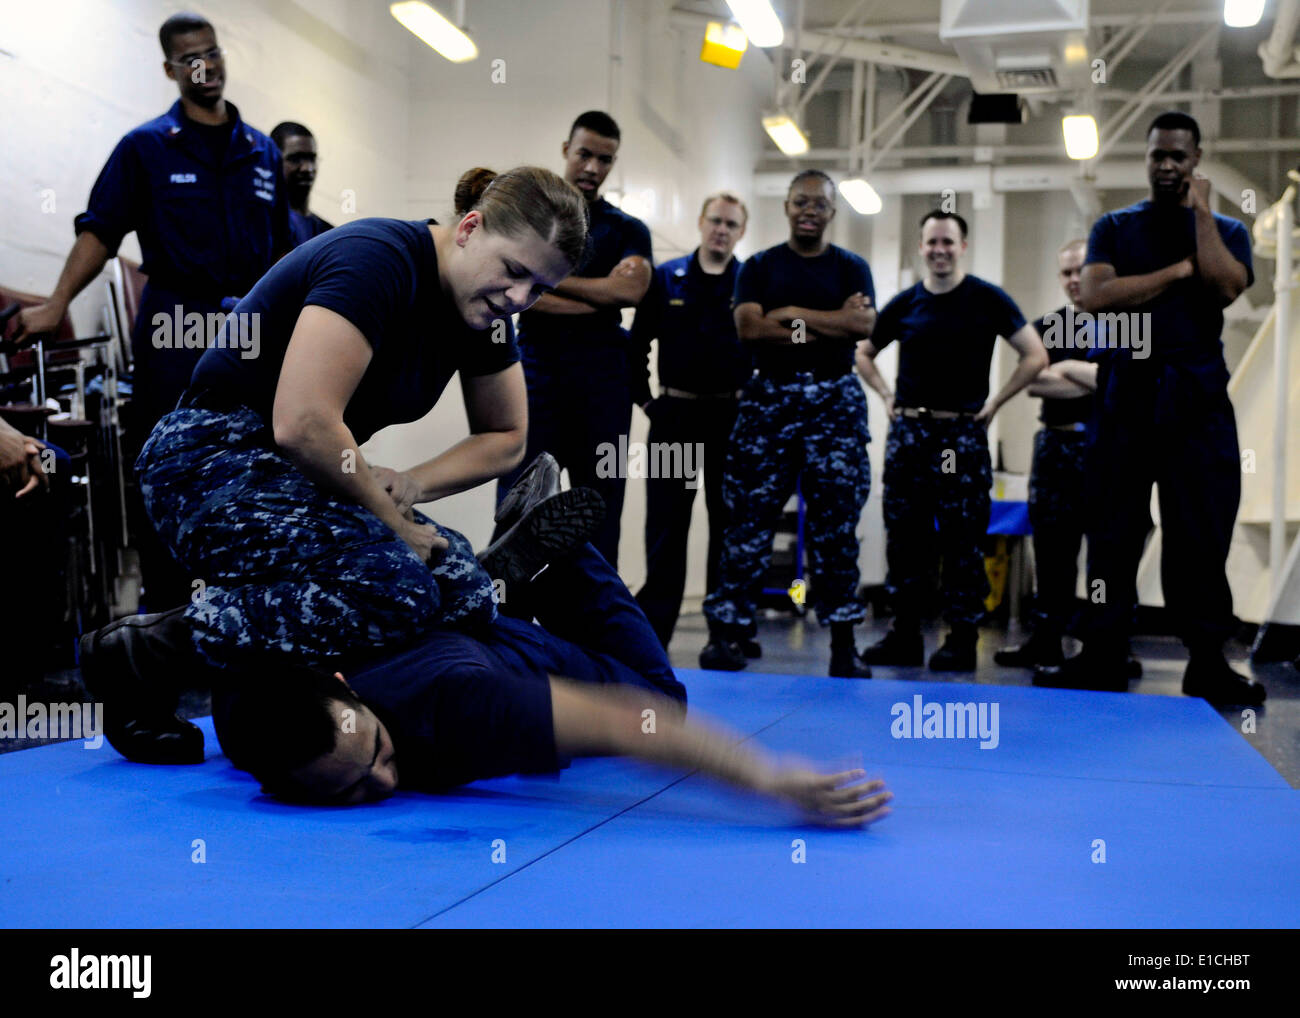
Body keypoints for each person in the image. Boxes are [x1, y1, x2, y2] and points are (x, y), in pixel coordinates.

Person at [79, 166, 597, 765]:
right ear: (469, 228)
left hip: (303, 473)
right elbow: (303, 422)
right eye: (514, 271)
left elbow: (506, 438)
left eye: (539, 289)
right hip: (208, 459)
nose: (519, 299)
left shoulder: (484, 312)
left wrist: (412, 483)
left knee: (466, 589)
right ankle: (142, 654)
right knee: (397, 587)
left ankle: (276, 686)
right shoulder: (376, 258)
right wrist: (395, 524)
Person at [212, 541, 894, 829]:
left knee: (664, 702)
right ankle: (499, 579)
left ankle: (562, 560)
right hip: (452, 633)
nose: (386, 782)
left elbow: (632, 725)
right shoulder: (258, 719)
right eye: (351, 789)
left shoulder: (460, 711)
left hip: (514, 654)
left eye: (379, 754)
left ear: (345, 687)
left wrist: (771, 778)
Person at [12, 11, 290, 611]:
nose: (206, 66)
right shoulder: (145, 147)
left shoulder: (262, 151)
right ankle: (165, 616)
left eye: (212, 52)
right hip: (174, 325)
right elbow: (101, 230)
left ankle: (243, 615)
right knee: (168, 464)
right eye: (191, 58)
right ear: (170, 69)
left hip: (247, 325)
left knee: (253, 461)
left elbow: (284, 254)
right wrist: (57, 302)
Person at [1034, 111, 1266, 706]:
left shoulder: (1227, 230)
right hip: (1127, 395)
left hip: (1197, 399)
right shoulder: (1115, 226)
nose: (1166, 165)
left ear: (1196, 160)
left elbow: (1225, 286)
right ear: (1146, 158)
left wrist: (1201, 215)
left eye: (1178, 156)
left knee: (1200, 534)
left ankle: (1208, 662)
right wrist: (1180, 271)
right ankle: (1103, 653)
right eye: (1157, 154)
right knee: (1111, 532)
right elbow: (1096, 297)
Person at [699, 170, 876, 679]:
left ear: (832, 211)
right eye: (801, 202)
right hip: (769, 404)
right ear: (787, 206)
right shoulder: (759, 266)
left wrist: (792, 314)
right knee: (747, 522)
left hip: (835, 404)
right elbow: (750, 328)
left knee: (836, 528)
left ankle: (843, 645)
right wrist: (827, 322)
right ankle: (727, 635)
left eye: (819, 204)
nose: (809, 211)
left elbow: (862, 325)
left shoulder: (852, 267)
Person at [857, 211, 1048, 672]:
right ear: (921, 247)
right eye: (932, 242)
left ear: (963, 246)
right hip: (910, 434)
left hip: (958, 438)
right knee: (905, 537)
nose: (939, 250)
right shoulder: (905, 304)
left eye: (947, 242)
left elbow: (1035, 355)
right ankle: (904, 635)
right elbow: (863, 352)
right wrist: (885, 395)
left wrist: (997, 402)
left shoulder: (986, 298)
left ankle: (961, 639)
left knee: (962, 537)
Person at [493, 111, 653, 567]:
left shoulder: (628, 229)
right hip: (537, 375)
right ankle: (507, 609)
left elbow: (630, 291)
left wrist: (543, 280)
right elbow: (514, 293)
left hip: (605, 384)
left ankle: (594, 615)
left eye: (605, 160)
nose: (592, 168)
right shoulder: (531, 218)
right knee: (518, 506)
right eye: (584, 154)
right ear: (566, 149)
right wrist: (598, 297)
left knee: (600, 510)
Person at [631, 191, 750, 649]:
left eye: (731, 224)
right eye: (715, 220)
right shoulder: (667, 278)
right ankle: (654, 639)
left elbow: (765, 348)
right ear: (701, 222)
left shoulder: (749, 281)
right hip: (674, 419)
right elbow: (636, 345)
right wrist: (646, 402)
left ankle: (725, 635)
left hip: (730, 420)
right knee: (666, 526)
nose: (721, 230)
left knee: (728, 525)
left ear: (741, 232)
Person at [994, 239, 1094, 668]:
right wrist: (1091, 375)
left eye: (1081, 269)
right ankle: (1046, 640)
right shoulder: (1047, 327)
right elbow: (1034, 382)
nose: (1074, 279)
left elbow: (1123, 382)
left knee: (1108, 552)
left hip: (1105, 450)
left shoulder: (1126, 324)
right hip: (1054, 446)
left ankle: (1107, 646)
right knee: (1052, 551)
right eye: (1066, 272)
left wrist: (1064, 368)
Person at [271, 121, 334, 248]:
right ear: (273, 160)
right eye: (295, 158)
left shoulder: (329, 234)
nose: (307, 168)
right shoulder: (260, 225)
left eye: (312, 158)